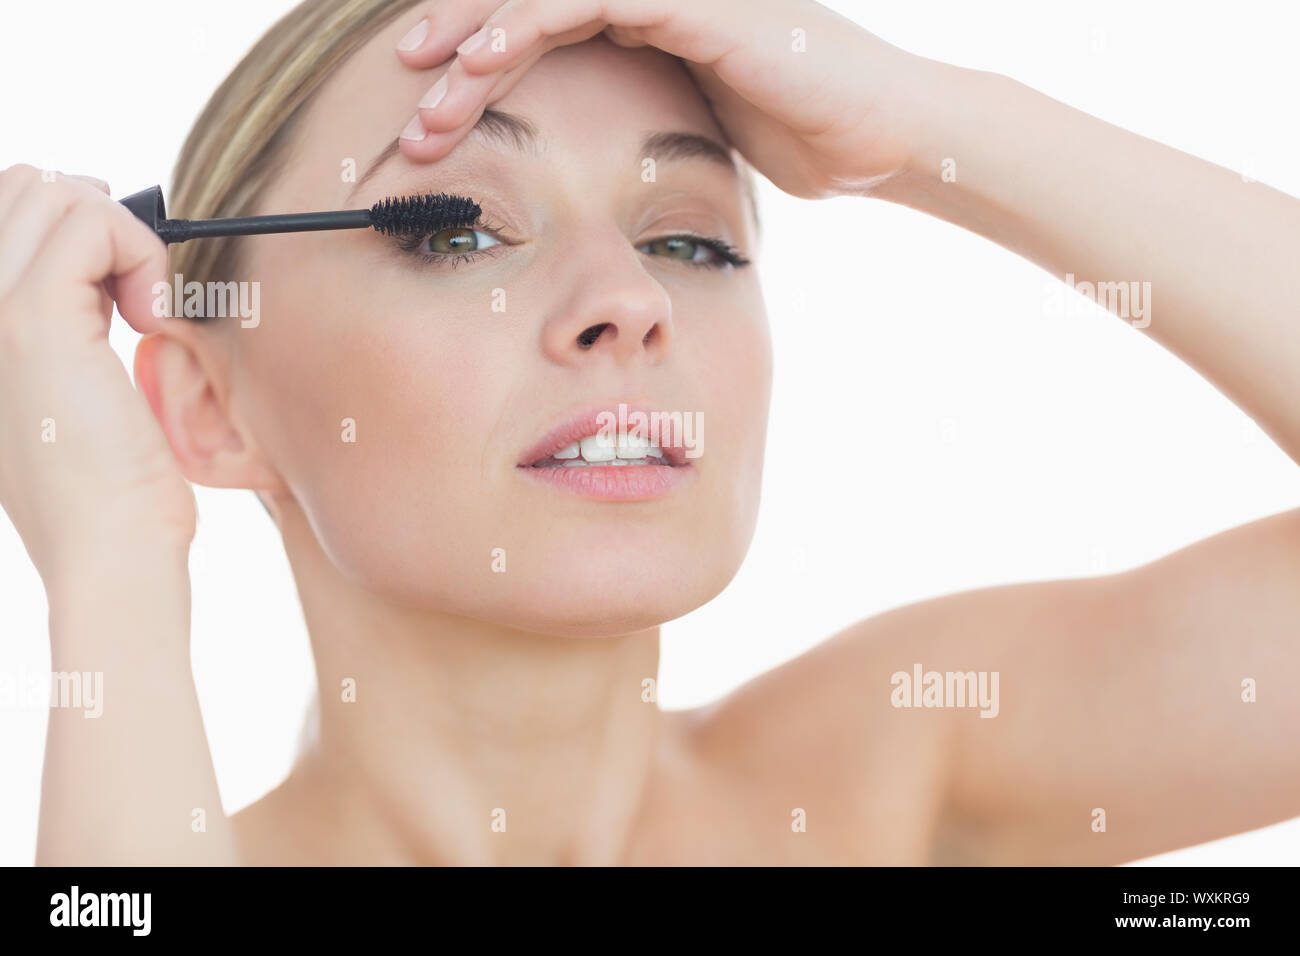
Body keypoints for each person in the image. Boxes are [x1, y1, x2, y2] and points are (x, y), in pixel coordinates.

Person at [3, 0, 1297, 865]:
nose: (628, 300)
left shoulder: (896, 783)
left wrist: (927, 129)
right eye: (457, 230)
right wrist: (110, 557)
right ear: (210, 409)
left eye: (690, 238)